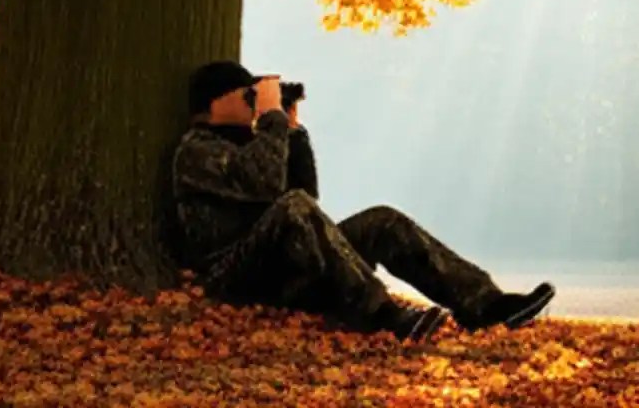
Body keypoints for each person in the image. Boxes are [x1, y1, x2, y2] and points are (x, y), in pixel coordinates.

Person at [168, 59, 555, 343]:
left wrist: (293, 131)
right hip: (234, 277)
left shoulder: (256, 144)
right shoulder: (196, 151)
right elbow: (274, 192)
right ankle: (380, 313)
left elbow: (305, 197)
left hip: (285, 268)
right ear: (216, 102)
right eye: (247, 95)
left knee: (381, 220)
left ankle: (486, 305)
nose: (256, 104)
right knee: (294, 206)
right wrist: (271, 122)